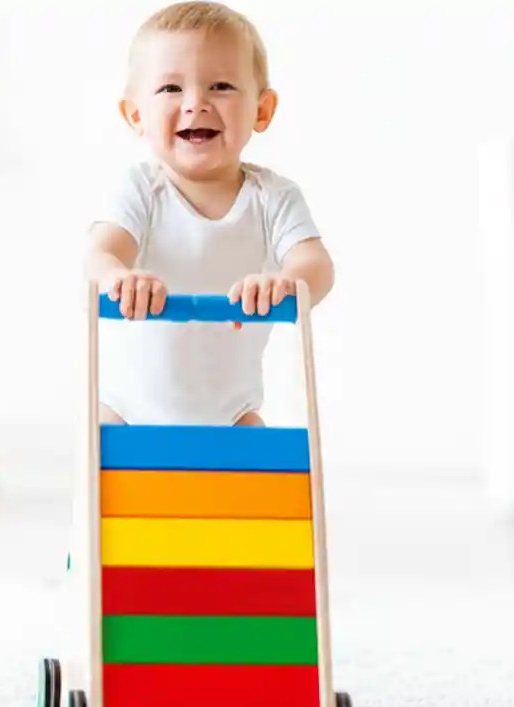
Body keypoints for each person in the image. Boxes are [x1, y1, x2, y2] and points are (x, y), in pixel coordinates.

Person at [86, 0, 335, 427]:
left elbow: (316, 266)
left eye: (220, 86)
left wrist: (285, 283)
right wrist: (119, 279)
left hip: (231, 413)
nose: (196, 103)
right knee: (102, 461)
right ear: (135, 114)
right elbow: (98, 255)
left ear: (262, 109)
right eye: (170, 89)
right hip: (125, 410)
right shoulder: (141, 191)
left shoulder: (273, 198)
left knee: (255, 467)